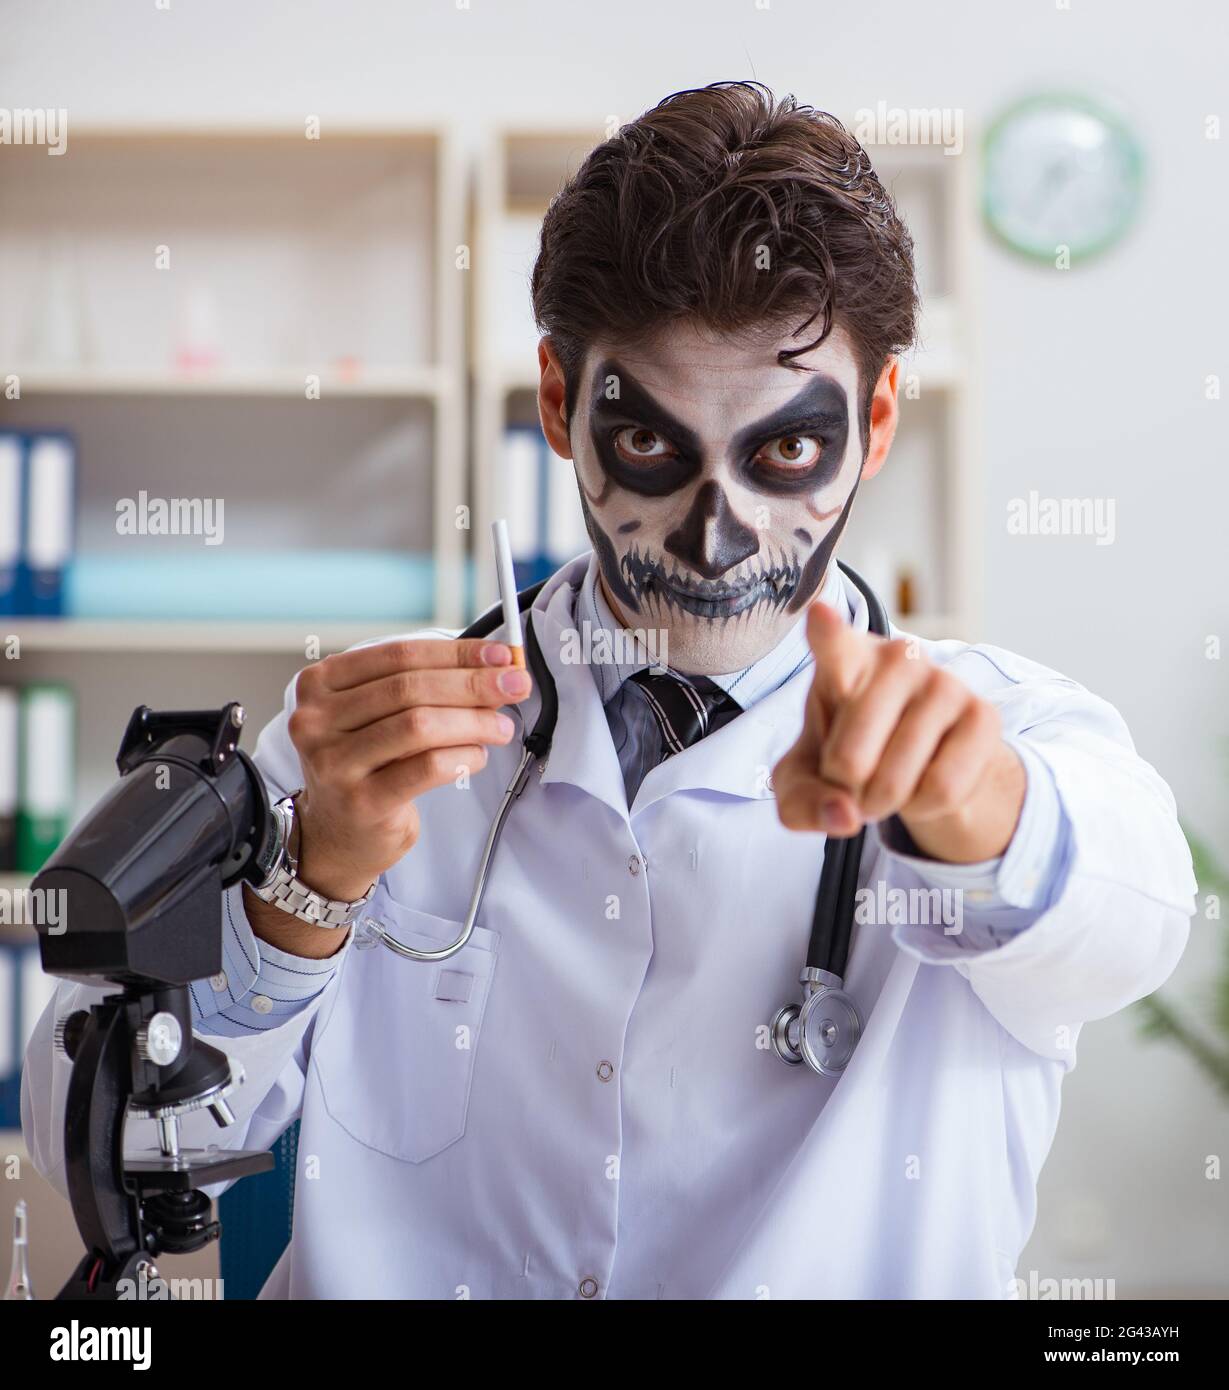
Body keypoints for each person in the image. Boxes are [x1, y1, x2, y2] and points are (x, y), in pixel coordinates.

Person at [23, 81, 1195, 1299]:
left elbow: (1132, 920)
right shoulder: (361, 746)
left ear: (879, 417)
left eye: (785, 449)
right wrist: (302, 893)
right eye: (650, 446)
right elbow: (93, 1150)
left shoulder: (1011, 735)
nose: (715, 540)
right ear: (556, 404)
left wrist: (984, 815)